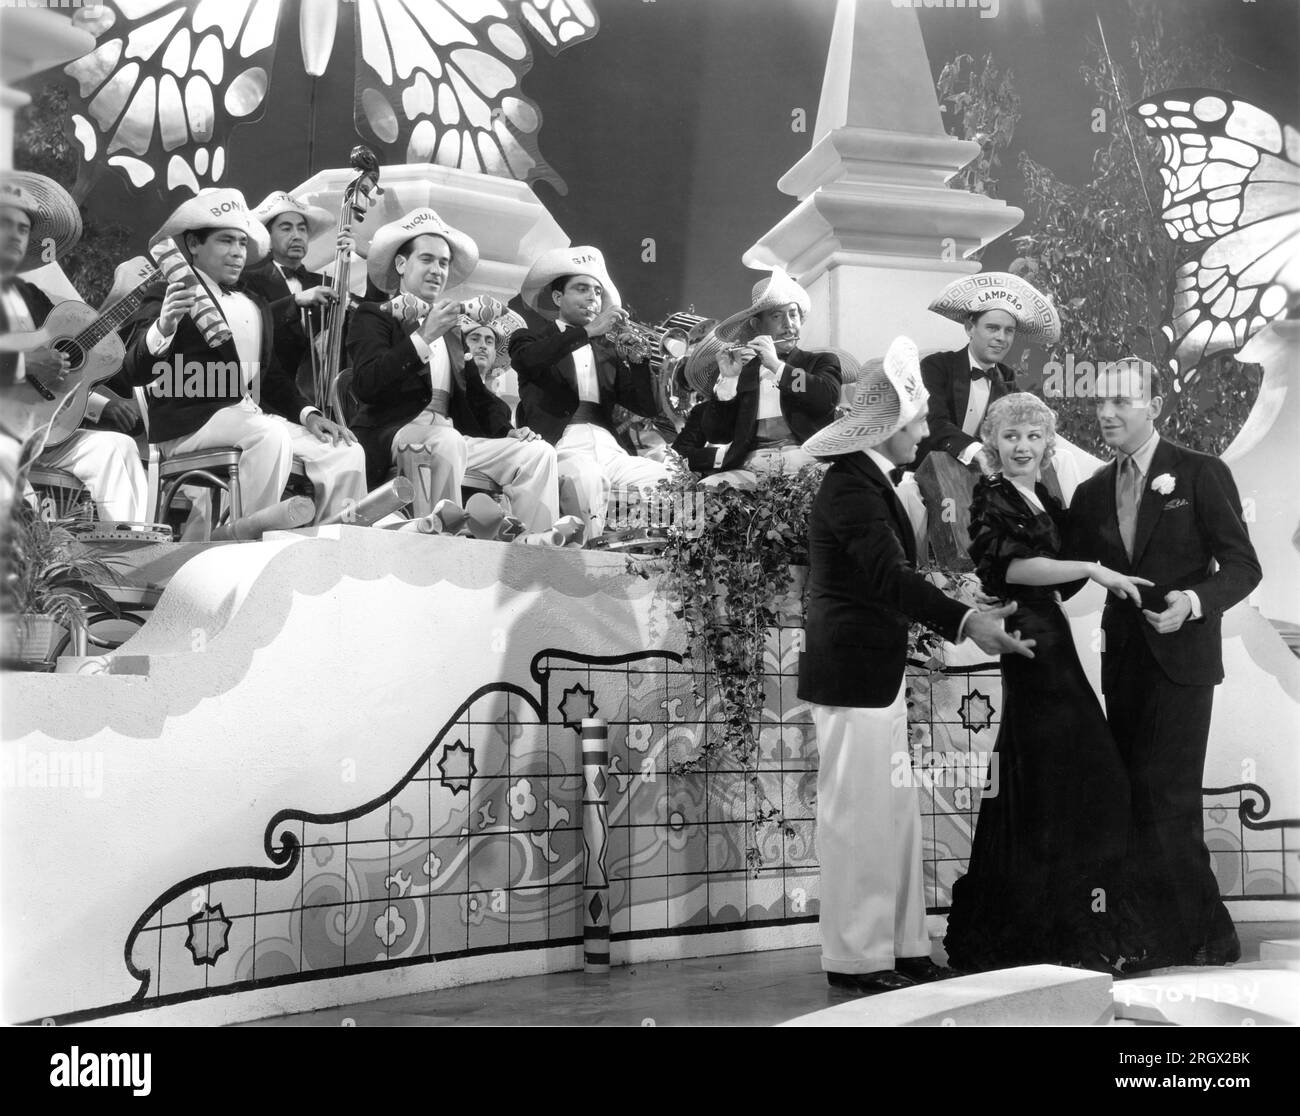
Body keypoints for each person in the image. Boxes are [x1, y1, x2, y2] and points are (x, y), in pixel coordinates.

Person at [797, 336, 1036, 996]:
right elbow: (889, 578)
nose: (928, 430)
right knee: (857, 818)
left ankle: (902, 945)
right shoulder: (850, 488)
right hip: (852, 678)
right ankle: (855, 956)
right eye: (920, 420)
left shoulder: (870, 483)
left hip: (873, 674)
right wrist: (968, 622)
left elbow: (897, 578)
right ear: (890, 427)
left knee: (894, 815)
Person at [943, 392, 1157, 973]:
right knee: (1070, 773)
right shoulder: (991, 493)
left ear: (1047, 443)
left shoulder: (1045, 494)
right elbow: (1012, 568)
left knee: (1053, 777)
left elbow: (1050, 578)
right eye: (1011, 436)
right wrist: (1091, 568)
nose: (1022, 446)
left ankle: (1056, 928)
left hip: (1048, 632)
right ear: (993, 442)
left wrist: (1086, 564)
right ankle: (1051, 932)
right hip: (1031, 639)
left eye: (1033, 436)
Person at [1066, 359, 1262, 967]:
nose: (1107, 413)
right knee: (1134, 796)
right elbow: (1070, 575)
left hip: (1184, 663)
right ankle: (1160, 932)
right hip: (1122, 664)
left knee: (1168, 795)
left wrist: (1195, 602)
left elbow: (1243, 566)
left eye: (1122, 402)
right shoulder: (1091, 490)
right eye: (1100, 402)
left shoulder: (1201, 473)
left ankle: (1204, 933)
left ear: (1155, 405)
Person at [122, 188, 366, 528]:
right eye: (225, 241)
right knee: (268, 436)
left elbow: (272, 378)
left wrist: (308, 414)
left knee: (346, 450)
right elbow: (133, 370)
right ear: (193, 244)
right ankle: (243, 543)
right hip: (191, 423)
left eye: (241, 242)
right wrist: (163, 326)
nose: (237, 253)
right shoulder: (166, 292)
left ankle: (332, 545)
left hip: (252, 417)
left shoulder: (255, 302)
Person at [346, 208, 557, 531]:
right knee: (447, 441)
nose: (437, 270)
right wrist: (422, 336)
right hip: (395, 434)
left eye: (443, 263)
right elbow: (366, 384)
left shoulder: (452, 330)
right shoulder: (375, 315)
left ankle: (535, 551)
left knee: (538, 453)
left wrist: (508, 430)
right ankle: (442, 543)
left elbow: (477, 396)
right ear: (402, 265)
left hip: (452, 437)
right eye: (427, 260)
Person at [0, 171, 146, 522]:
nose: (17, 236)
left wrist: (99, 406)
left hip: (39, 431)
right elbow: (34, 366)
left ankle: (129, 553)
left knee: (116, 447)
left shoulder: (32, 296)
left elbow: (70, 356)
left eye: (24, 229)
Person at [509, 246, 666, 538]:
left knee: (666, 478)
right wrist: (588, 332)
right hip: (560, 445)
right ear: (558, 298)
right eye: (581, 289)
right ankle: (585, 560)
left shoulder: (608, 351)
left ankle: (652, 560)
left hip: (609, 448)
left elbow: (648, 407)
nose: (592, 297)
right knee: (586, 476)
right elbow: (528, 361)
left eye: (596, 291)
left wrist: (641, 360)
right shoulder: (530, 338)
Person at [677, 269, 840, 487]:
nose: (788, 324)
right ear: (756, 325)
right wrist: (729, 380)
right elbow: (718, 434)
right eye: (776, 316)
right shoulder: (743, 373)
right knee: (707, 489)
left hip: (809, 461)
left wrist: (776, 366)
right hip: (753, 467)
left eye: (793, 314)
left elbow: (824, 399)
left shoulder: (819, 362)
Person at [913, 271, 1061, 473]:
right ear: (969, 328)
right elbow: (934, 424)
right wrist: (977, 452)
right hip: (930, 473)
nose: (1002, 338)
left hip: (982, 481)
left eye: (1009, 331)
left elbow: (1018, 430)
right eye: (993, 328)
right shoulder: (936, 367)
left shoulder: (1006, 377)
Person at [242, 191, 342, 393]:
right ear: (267, 237)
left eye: (302, 229)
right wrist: (294, 302)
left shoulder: (328, 282)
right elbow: (249, 324)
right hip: (269, 394)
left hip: (321, 392)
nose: (296, 235)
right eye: (286, 228)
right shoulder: (247, 281)